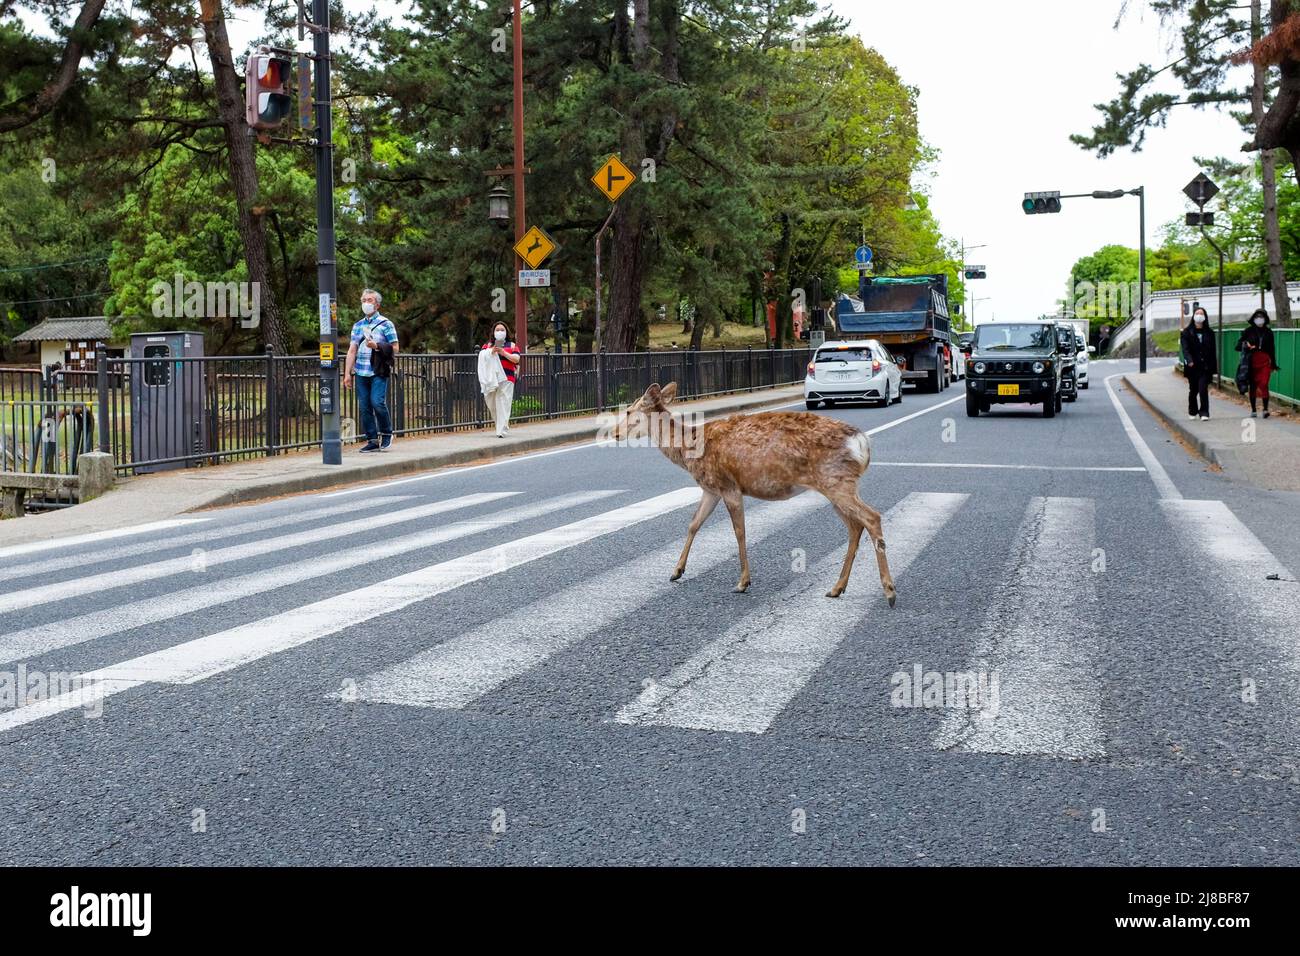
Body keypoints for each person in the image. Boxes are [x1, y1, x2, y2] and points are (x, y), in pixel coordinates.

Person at [343, 288, 400, 452]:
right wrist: (347, 373)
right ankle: (372, 440)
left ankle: (387, 432)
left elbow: (395, 348)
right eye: (364, 300)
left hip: (378, 370)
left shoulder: (386, 324)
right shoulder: (358, 325)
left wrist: (377, 346)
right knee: (365, 407)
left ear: (377, 304)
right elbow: (352, 350)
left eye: (370, 300)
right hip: (361, 371)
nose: (366, 303)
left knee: (377, 402)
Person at [481, 321, 521, 438]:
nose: (499, 332)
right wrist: (490, 352)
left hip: (507, 378)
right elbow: (482, 359)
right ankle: (500, 424)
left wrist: (503, 353)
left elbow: (516, 359)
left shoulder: (512, 346)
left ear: (506, 332)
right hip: (491, 379)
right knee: (492, 404)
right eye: (497, 330)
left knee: (503, 402)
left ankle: (501, 430)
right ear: (493, 332)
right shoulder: (487, 346)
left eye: (502, 330)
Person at [1237, 308, 1280, 419]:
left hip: (1265, 361)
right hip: (1251, 361)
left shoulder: (1269, 332)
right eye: (1257, 317)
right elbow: (1238, 345)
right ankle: (1254, 409)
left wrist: (1273, 364)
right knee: (1253, 385)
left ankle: (1265, 409)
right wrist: (1247, 345)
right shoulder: (1248, 331)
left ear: (1265, 319)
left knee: (1264, 383)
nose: (1259, 319)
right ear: (1253, 318)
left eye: (1261, 317)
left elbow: (1272, 348)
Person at [1180, 306, 1216, 421]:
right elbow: (1185, 349)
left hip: (1205, 366)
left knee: (1203, 389)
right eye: (1197, 313)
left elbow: (1213, 351)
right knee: (1193, 390)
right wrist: (1189, 360)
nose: (1199, 315)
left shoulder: (1210, 333)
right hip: (1192, 366)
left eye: (1201, 313)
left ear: (1205, 317)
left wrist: (1213, 367)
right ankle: (1192, 410)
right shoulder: (1186, 332)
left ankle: (1204, 412)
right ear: (1194, 316)